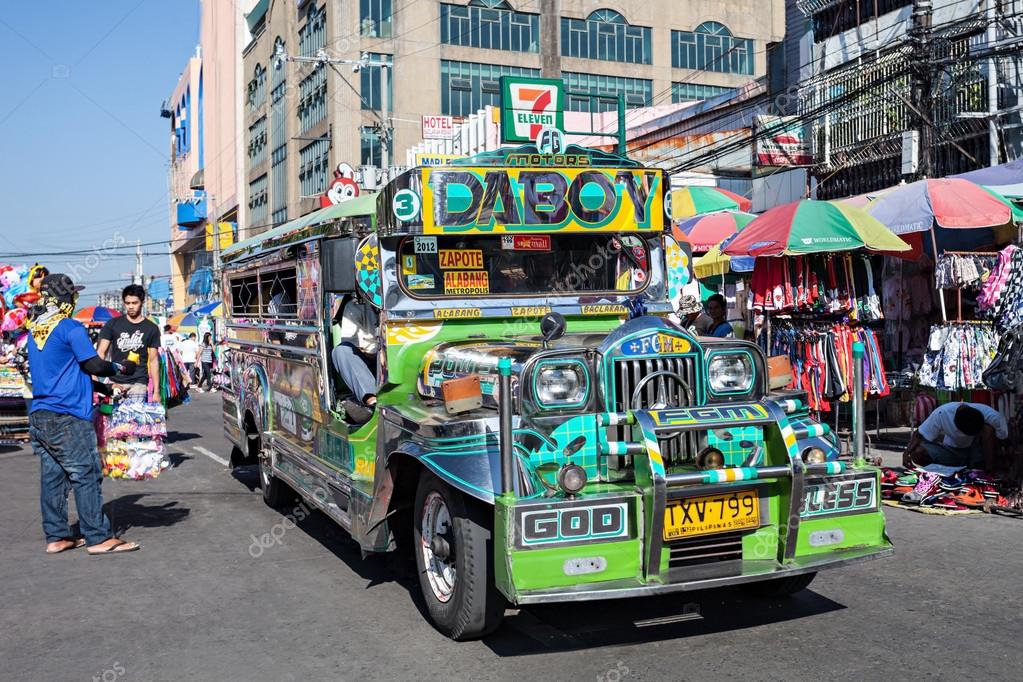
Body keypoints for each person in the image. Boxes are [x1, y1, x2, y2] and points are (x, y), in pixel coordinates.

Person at [25, 274, 140, 555]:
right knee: (85, 474)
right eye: (72, 295)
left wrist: (104, 387)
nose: (75, 300)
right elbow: (93, 365)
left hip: (40, 415)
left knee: (53, 478)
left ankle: (57, 536)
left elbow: (67, 372)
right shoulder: (70, 328)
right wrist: (118, 370)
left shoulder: (35, 330)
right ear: (65, 299)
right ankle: (98, 537)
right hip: (68, 417)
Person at [96, 285, 160, 400]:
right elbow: (101, 352)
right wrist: (96, 381)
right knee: (114, 416)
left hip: (139, 382)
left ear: (142, 302)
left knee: (134, 416)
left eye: (134, 303)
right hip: (115, 381)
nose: (131, 307)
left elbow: (154, 360)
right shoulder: (112, 324)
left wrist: (156, 391)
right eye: (127, 303)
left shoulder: (151, 328)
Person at [903, 402, 1008, 472]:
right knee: (918, 452)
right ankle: (939, 473)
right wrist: (906, 453)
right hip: (953, 453)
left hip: (976, 453)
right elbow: (919, 434)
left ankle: (987, 472)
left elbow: (1005, 441)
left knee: (988, 430)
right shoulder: (942, 413)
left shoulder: (992, 416)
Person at [330, 296, 378, 424]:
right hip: (368, 359)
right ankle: (371, 401)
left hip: (394, 357)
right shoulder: (355, 306)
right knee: (341, 351)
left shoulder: (402, 304)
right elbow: (352, 345)